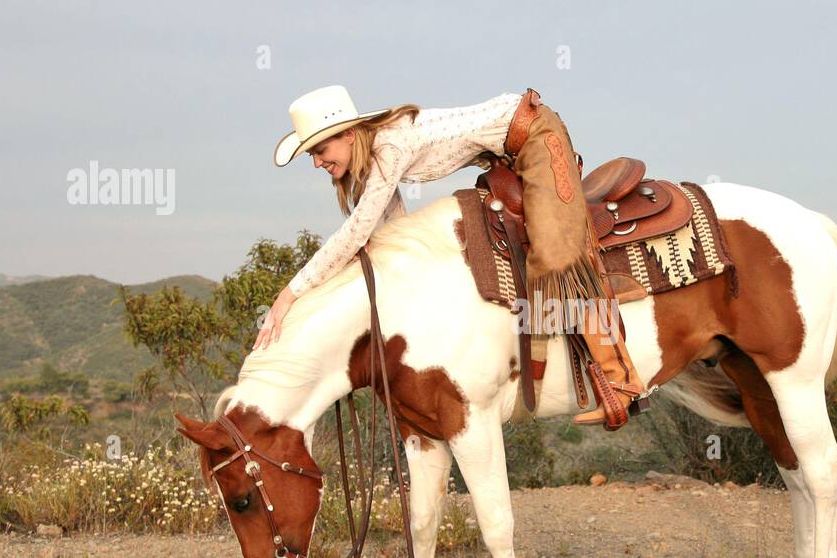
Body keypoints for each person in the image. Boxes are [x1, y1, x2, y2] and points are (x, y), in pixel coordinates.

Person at [259, 85, 645, 429]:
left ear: (347, 134)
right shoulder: (380, 157)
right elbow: (393, 229)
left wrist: (290, 295)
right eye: (312, 154)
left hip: (535, 135)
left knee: (557, 256)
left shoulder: (388, 149)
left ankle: (621, 379)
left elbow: (357, 231)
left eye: (320, 150)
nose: (316, 163)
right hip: (507, 152)